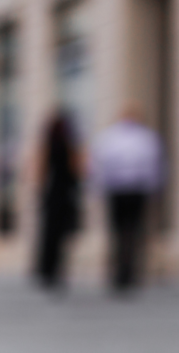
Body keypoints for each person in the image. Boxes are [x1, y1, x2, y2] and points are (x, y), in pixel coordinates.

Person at [91, 103, 165, 293]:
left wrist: (153, 187)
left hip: (133, 189)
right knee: (121, 232)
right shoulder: (114, 137)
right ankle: (121, 272)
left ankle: (129, 272)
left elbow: (154, 165)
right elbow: (100, 165)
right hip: (119, 189)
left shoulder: (144, 137)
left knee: (131, 231)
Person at [33, 111, 83, 291]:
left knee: (49, 235)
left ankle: (47, 270)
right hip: (64, 194)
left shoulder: (49, 145)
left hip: (52, 193)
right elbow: (77, 171)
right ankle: (55, 271)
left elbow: (41, 171)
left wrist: (40, 191)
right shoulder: (70, 146)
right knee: (60, 236)